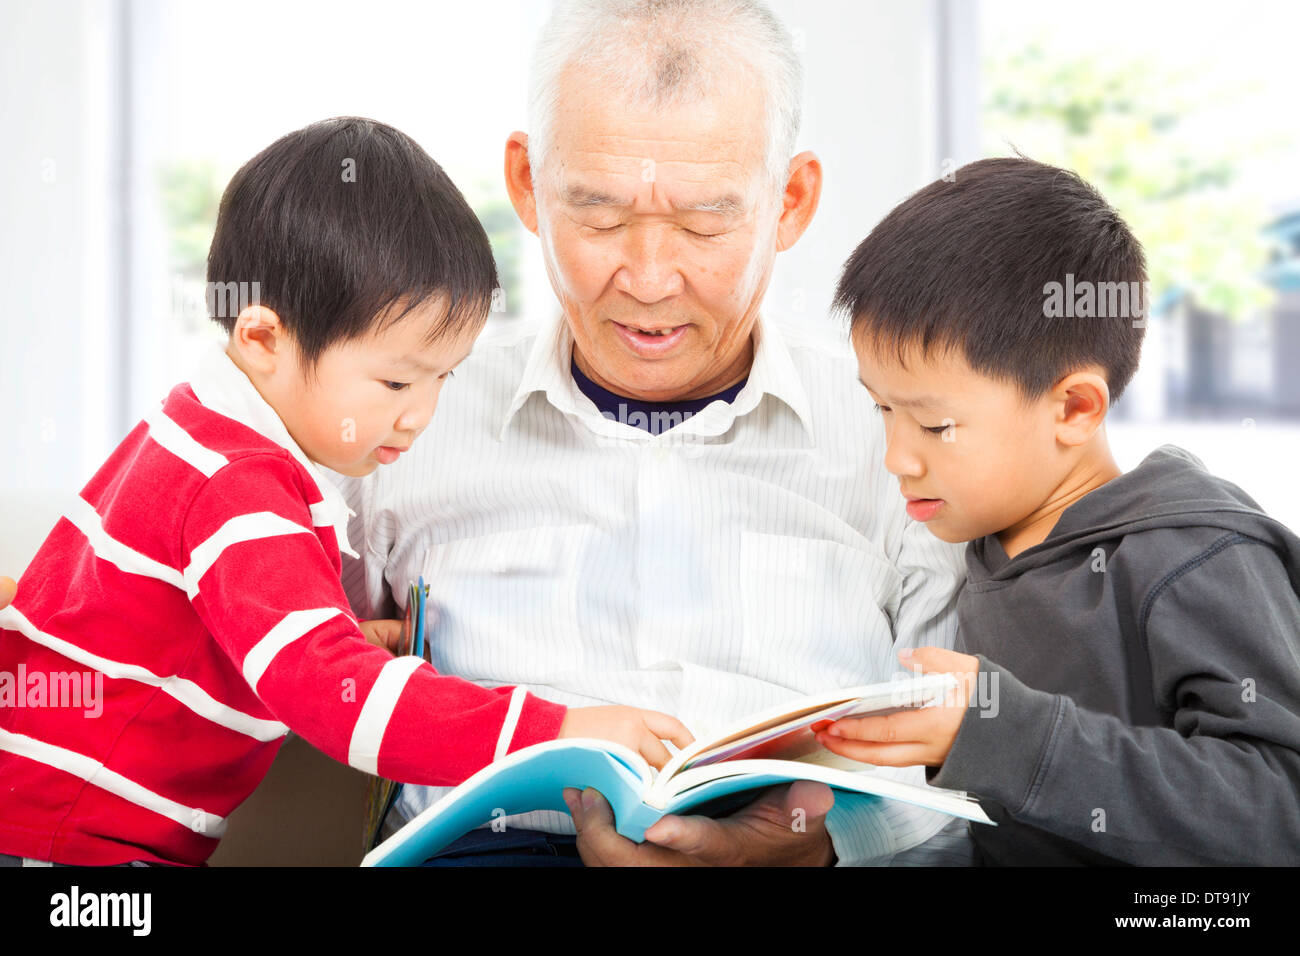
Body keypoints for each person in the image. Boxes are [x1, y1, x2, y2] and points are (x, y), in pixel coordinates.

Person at [341, 0, 969, 866]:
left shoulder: (900, 438)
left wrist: (819, 848)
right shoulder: (402, 415)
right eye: (597, 215)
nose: (645, 278)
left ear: (790, 202)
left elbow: (958, 761)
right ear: (527, 184)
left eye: (705, 220)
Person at [0, 117, 688, 867]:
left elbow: (192, 631)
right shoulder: (238, 481)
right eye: (395, 381)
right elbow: (331, 696)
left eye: (441, 379)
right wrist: (559, 730)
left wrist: (332, 630)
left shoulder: (198, 435)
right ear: (264, 341)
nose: (420, 414)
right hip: (66, 847)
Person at [816, 156, 1300, 865]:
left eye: (933, 424)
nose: (896, 457)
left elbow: (1279, 810)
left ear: (1073, 409)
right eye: (881, 408)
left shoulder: (1194, 556)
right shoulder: (975, 545)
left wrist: (1006, 734)